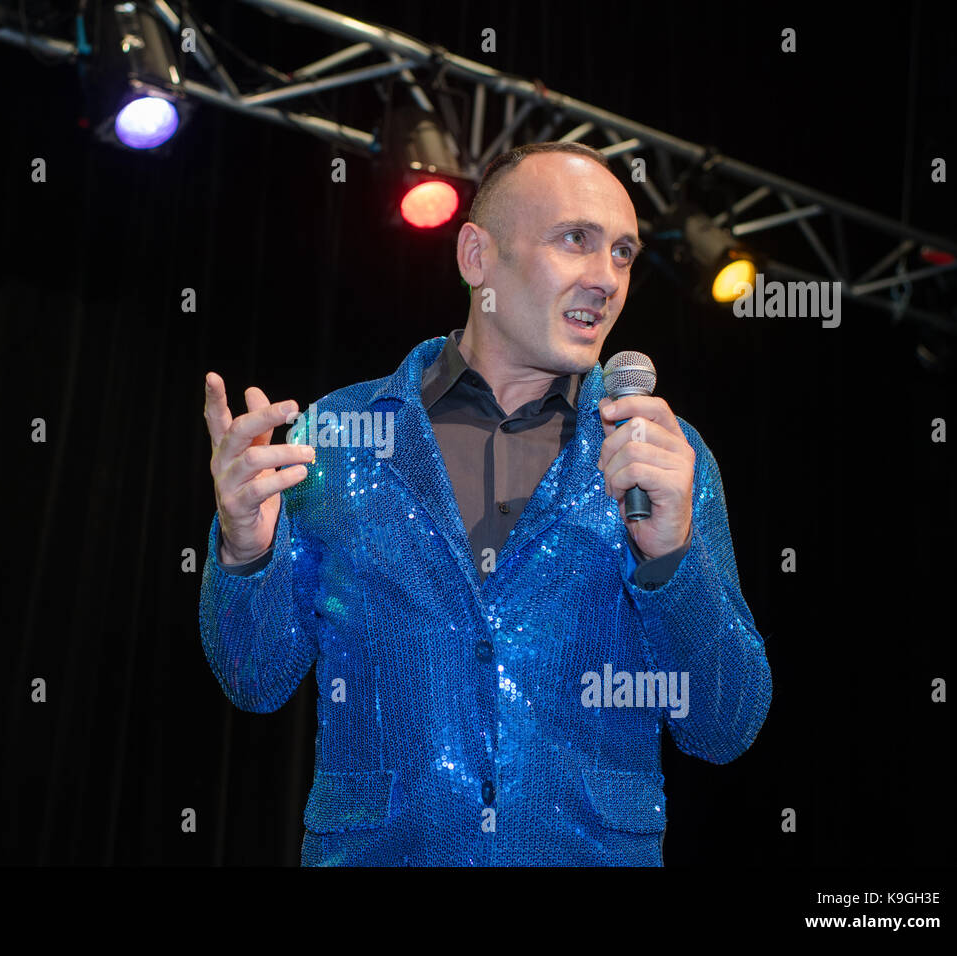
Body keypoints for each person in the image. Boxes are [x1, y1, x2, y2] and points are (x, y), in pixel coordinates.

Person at [198, 141, 772, 866]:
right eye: (575, 241)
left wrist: (672, 561)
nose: (606, 279)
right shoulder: (337, 437)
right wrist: (245, 553)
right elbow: (254, 679)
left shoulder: (664, 455)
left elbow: (724, 724)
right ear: (477, 257)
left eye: (624, 254)